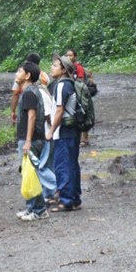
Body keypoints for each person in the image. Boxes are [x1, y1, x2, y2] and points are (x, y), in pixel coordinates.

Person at [14, 62, 48, 221]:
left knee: (31, 173)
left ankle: (40, 209)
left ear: (27, 75)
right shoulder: (30, 91)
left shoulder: (29, 93)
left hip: (32, 139)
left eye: (20, 71)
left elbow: (32, 116)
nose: (16, 73)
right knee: (27, 172)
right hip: (33, 138)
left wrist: (28, 140)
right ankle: (31, 208)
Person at [47, 53, 82, 212]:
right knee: (72, 165)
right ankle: (74, 198)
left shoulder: (61, 85)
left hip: (64, 131)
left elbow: (59, 111)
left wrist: (51, 130)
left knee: (63, 166)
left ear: (63, 70)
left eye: (55, 66)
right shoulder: (70, 83)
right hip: (72, 130)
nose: (51, 68)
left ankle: (66, 200)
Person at [10, 52, 49, 125]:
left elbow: (15, 94)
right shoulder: (44, 76)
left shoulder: (22, 77)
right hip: (43, 108)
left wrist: (13, 111)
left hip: (28, 106)